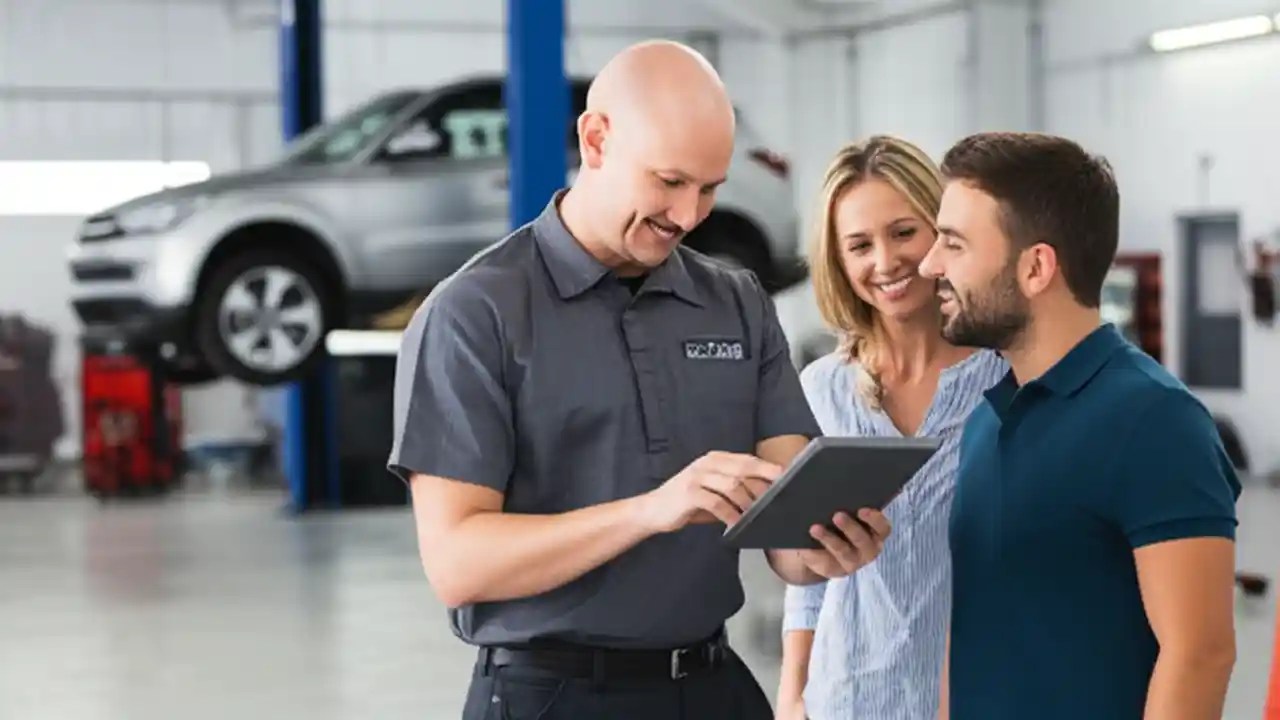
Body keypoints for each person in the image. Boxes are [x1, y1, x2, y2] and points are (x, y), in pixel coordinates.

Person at [386, 40, 892, 720]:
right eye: (669, 181)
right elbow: (457, 563)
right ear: (596, 140)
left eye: (709, 189)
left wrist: (829, 547)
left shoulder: (736, 302)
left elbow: (787, 544)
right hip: (552, 696)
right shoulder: (476, 314)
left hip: (713, 687)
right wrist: (652, 510)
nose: (688, 216)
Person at [919, 131, 1241, 720]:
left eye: (954, 244)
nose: (929, 264)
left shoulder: (1155, 420)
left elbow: (1200, 653)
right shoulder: (985, 421)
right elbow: (970, 630)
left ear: (1036, 267)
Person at [773, 136, 1007, 720]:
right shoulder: (822, 388)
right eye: (859, 245)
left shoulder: (1008, 381)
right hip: (846, 700)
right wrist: (792, 696)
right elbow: (809, 574)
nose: (885, 262)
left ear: (943, 233)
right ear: (838, 260)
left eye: (904, 232)